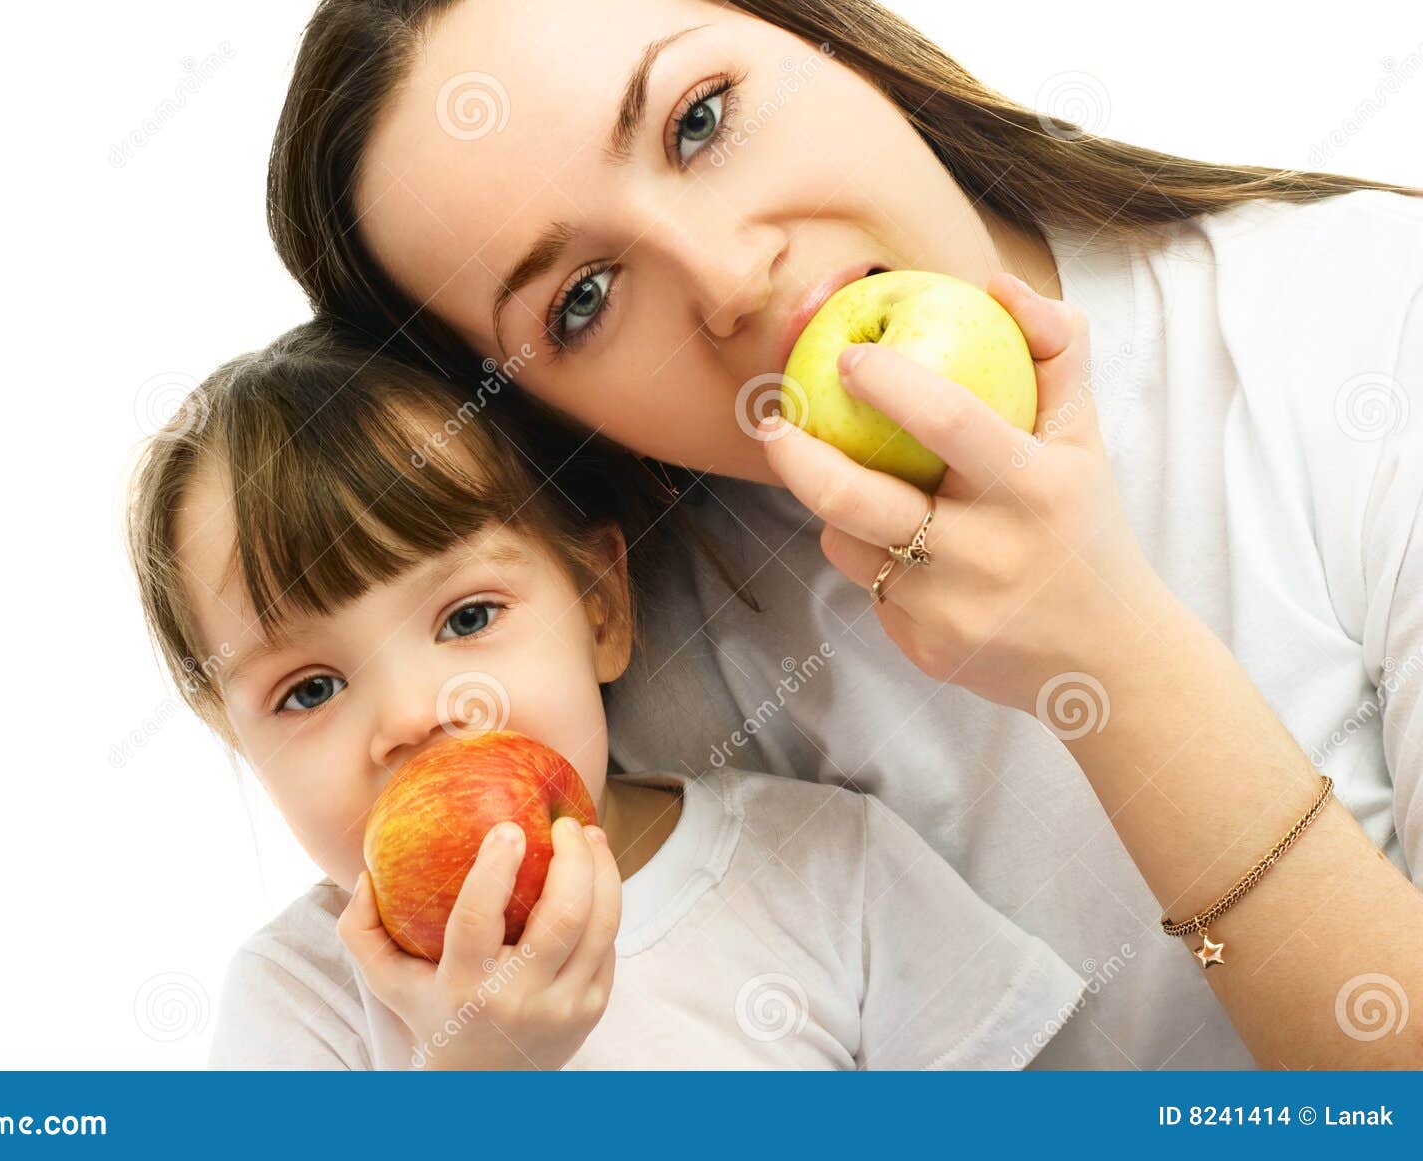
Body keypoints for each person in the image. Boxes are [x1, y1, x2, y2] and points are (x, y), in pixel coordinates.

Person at [259, 0, 1423, 1066]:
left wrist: (1109, 661)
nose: (728, 274)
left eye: (699, 120)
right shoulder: (615, 682)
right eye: (583, 300)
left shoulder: (1372, 326)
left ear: (820, 34)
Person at [124, 319, 1089, 1069]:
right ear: (239, 744)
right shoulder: (303, 1004)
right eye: (310, 688)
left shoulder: (828, 867)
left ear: (599, 608)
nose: (414, 715)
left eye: (466, 618)